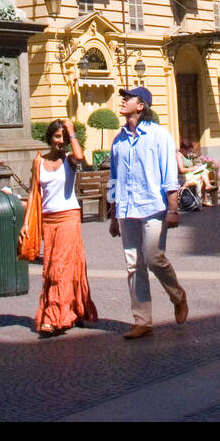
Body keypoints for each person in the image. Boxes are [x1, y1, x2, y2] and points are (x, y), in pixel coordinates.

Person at [107, 86, 188, 339]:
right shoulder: (118, 139)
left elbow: (170, 175)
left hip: (153, 206)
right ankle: (142, 320)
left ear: (140, 106)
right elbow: (114, 179)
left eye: (127, 98)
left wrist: (173, 209)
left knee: (153, 258)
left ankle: (178, 295)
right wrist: (113, 214)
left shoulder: (159, 136)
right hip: (126, 209)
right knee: (133, 264)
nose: (122, 101)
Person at [32, 118, 98, 337]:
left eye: (63, 137)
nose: (60, 141)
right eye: (57, 136)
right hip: (48, 220)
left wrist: (72, 132)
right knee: (56, 267)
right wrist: (26, 225)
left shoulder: (70, 160)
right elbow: (35, 195)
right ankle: (76, 310)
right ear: (49, 138)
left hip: (69, 217)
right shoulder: (38, 162)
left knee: (58, 267)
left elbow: (81, 158)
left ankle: (53, 317)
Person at [176, 138, 213, 208]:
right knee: (202, 175)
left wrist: (197, 165)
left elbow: (193, 163)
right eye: (188, 150)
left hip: (190, 173)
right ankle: (205, 197)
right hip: (183, 176)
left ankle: (207, 188)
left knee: (204, 171)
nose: (189, 152)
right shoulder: (179, 155)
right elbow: (181, 170)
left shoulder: (188, 155)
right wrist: (193, 168)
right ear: (183, 149)